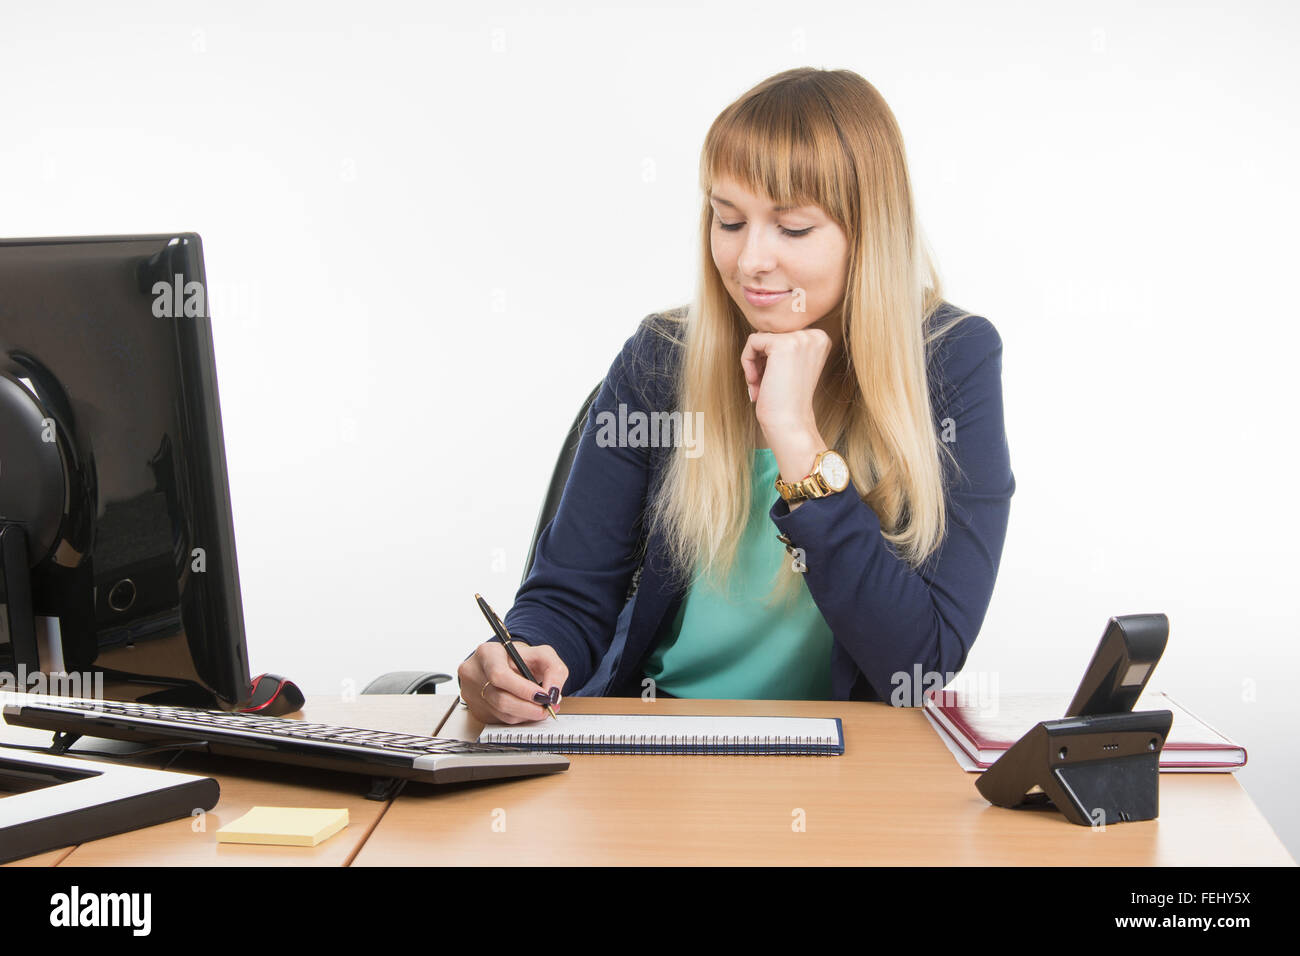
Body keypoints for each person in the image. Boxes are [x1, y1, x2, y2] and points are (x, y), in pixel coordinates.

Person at [458, 66, 1015, 723]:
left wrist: (798, 443)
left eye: (794, 228)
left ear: (870, 233)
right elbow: (573, 596)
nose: (750, 260)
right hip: (653, 741)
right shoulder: (660, 359)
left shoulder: (950, 361)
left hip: (851, 761)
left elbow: (917, 663)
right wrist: (520, 654)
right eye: (728, 220)